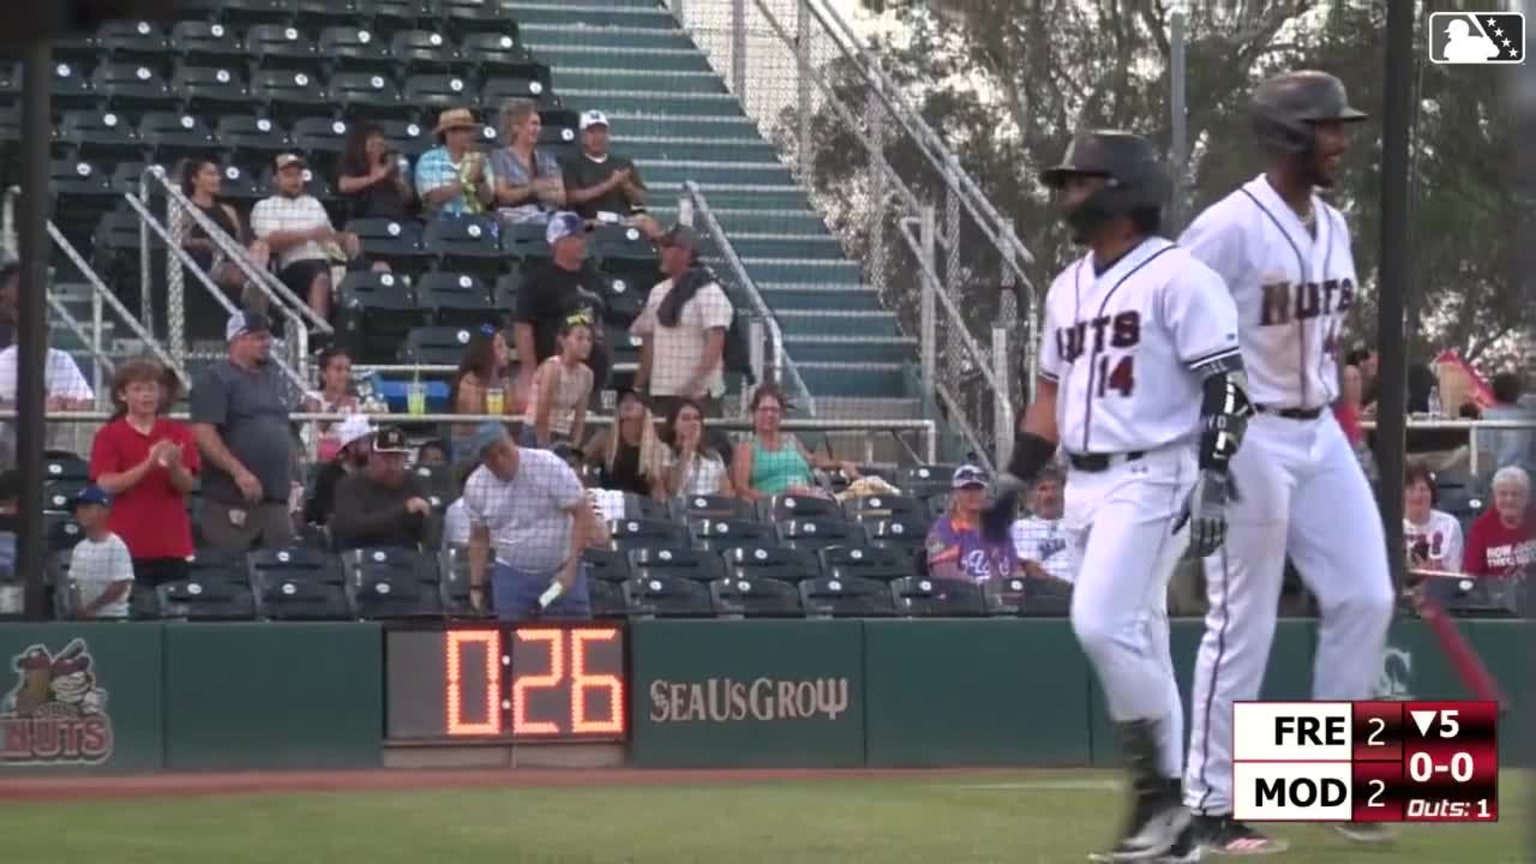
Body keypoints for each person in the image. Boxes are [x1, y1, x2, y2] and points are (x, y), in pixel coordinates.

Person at [979, 129, 1248, 862]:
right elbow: (1048, 393)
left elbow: (1227, 388)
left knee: (1099, 622)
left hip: (1156, 470)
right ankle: (1179, 829)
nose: (1069, 194)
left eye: (1082, 181)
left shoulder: (1180, 276)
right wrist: (1014, 475)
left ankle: (1159, 797)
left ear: (1125, 191)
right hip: (1084, 481)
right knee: (1142, 638)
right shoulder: (1067, 286)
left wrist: (1218, 479)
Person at [1173, 71, 1395, 853]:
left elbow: (1331, 342)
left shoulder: (1334, 225)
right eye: (1328, 127)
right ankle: (1209, 802)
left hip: (1321, 427)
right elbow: (1172, 319)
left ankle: (1342, 782)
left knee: (1367, 595)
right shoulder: (1229, 227)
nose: (1341, 140)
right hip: (1251, 428)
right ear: (1290, 136)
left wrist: (1350, 430)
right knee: (1244, 618)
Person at [462, 423, 609, 621]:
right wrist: (475, 586)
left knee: (571, 639)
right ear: (482, 461)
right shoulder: (476, 485)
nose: (499, 460)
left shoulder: (547, 465)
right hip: (512, 577)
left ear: (513, 444)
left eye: (503, 451)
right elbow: (479, 538)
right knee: (513, 643)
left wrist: (571, 568)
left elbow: (581, 512)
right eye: (490, 456)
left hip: (558, 574)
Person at [190, 310, 295, 550]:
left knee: (280, 573)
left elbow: (283, 430)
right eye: (258, 338)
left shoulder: (273, 377)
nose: (266, 344)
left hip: (275, 502)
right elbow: (204, 433)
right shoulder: (216, 379)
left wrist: (294, 476)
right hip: (231, 502)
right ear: (237, 340)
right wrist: (239, 472)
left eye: (267, 337)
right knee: (232, 572)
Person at [88, 358, 198, 587]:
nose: (146, 395)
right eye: (138, 389)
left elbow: (186, 486)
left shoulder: (179, 433)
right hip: (124, 546)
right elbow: (106, 484)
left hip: (171, 546)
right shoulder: (109, 435)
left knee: (175, 613)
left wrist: (174, 464)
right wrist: (149, 463)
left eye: (152, 389)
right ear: (122, 395)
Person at [250, 153, 373, 321]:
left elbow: (328, 235)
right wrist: (309, 235)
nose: (295, 180)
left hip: (329, 257)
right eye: (288, 175)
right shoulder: (265, 206)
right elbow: (270, 242)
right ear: (275, 179)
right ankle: (319, 328)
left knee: (375, 268)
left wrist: (345, 237)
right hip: (293, 264)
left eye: (298, 174)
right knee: (319, 273)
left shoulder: (313, 203)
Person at [632, 225, 734, 420]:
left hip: (699, 397)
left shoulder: (709, 291)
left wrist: (693, 385)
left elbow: (715, 342)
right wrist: (638, 386)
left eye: (668, 246)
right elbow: (649, 342)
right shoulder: (657, 292)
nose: (661, 252)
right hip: (662, 393)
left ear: (686, 253)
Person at [512, 212, 612, 404]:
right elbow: (523, 327)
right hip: (554, 376)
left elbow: (601, 318)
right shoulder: (538, 280)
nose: (583, 241)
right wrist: (529, 370)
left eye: (584, 236)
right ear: (558, 242)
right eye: (576, 237)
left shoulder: (594, 277)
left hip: (592, 377)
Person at [732, 386, 857, 501]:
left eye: (774, 410)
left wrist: (840, 463)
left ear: (781, 414)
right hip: (774, 508)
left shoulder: (791, 442)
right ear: (754, 413)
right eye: (764, 409)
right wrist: (780, 498)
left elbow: (814, 461)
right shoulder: (746, 448)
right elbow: (742, 490)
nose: (769, 414)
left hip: (810, 499)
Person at [179, 157, 271, 300]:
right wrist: (207, 243)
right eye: (210, 174)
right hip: (207, 262)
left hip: (233, 258)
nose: (217, 178)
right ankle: (255, 292)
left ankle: (253, 289)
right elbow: (181, 240)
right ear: (194, 179)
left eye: (217, 174)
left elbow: (239, 241)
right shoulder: (186, 208)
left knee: (261, 246)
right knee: (249, 277)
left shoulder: (228, 210)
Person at [561, 110, 661, 239]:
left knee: (650, 225)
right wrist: (609, 184)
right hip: (590, 221)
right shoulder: (573, 164)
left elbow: (640, 198)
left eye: (602, 131)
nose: (598, 137)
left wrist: (627, 186)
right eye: (592, 132)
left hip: (622, 220)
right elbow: (572, 196)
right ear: (583, 136)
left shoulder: (623, 163)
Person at [331, 427, 433, 551]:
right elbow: (351, 527)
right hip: (362, 555)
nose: (391, 465)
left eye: (397, 458)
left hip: (405, 559)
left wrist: (428, 519)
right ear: (371, 458)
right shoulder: (351, 484)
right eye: (385, 458)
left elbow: (429, 530)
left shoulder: (414, 481)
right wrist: (403, 511)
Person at [926, 465, 1017, 583]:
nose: (973, 494)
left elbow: (1015, 569)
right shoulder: (944, 529)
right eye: (966, 488)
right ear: (955, 493)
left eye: (978, 488)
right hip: (962, 597)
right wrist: (982, 591)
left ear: (985, 492)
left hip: (1001, 596)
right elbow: (946, 574)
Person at [581, 388, 668, 498]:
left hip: (640, 507)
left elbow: (660, 490)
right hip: (609, 503)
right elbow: (582, 462)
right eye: (624, 400)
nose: (628, 403)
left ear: (646, 409)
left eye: (635, 400)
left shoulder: (657, 448)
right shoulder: (604, 439)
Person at [490, 98, 565, 226]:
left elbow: (561, 197)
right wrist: (534, 188)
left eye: (539, 124)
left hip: (547, 215)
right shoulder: (500, 157)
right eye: (533, 124)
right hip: (514, 216)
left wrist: (519, 191)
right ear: (516, 127)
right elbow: (503, 196)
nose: (538, 129)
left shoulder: (547, 158)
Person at [66, 486, 135, 619]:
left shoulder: (116, 545)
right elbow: (74, 582)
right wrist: (78, 606)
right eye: (78, 508)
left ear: (104, 511)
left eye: (87, 507)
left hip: (112, 618)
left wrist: (92, 608)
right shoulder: (80, 547)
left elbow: (120, 585)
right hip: (84, 618)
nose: (80, 512)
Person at [524, 318, 593, 449]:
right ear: (563, 340)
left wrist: (575, 447)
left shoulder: (587, 374)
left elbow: (580, 417)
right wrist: (545, 447)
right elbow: (542, 414)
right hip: (536, 432)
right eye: (579, 338)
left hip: (562, 433)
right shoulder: (552, 368)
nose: (585, 344)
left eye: (589, 339)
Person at [448, 326, 514, 460]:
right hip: (469, 446)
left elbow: (511, 413)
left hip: (494, 444)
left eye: (506, 346)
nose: (506, 351)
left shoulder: (504, 380)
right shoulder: (469, 380)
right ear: (486, 352)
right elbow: (476, 417)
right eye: (500, 346)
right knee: (494, 429)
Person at [415, 107, 494, 218]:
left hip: (475, 219)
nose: (468, 135)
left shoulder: (480, 159)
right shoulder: (430, 158)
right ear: (448, 133)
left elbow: (488, 201)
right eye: (463, 131)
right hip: (441, 220)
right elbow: (433, 198)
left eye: (469, 130)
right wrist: (465, 181)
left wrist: (480, 180)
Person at [302, 413, 372, 529]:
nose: (370, 448)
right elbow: (324, 514)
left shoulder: (373, 474)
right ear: (351, 446)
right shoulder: (329, 475)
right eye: (366, 442)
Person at [1462, 465, 1535, 577]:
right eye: (1503, 494)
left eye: (1515, 494)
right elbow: (1472, 575)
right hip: (1494, 592)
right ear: (1494, 497)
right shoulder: (1481, 527)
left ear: (1526, 498)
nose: (1509, 499)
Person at [336, 121, 413, 220]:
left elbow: (408, 198)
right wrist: (374, 178)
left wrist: (398, 180)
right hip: (364, 216)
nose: (379, 141)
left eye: (380, 137)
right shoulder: (352, 160)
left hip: (395, 217)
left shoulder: (391, 160)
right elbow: (344, 185)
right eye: (372, 138)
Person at [1009, 466, 1073, 583]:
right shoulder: (1021, 528)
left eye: (1055, 488)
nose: (1050, 495)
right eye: (1043, 489)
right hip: (1039, 593)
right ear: (1030, 496)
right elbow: (1024, 568)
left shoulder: (1078, 526)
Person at [663, 398, 734, 498]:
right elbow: (672, 489)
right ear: (673, 424)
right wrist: (688, 450)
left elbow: (727, 493)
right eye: (686, 418)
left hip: (711, 509)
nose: (693, 423)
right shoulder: (665, 453)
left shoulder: (713, 455)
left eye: (697, 418)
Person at [1403, 462, 1464, 575]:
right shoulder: (1390, 525)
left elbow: (1455, 572)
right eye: (1411, 489)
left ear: (1432, 494)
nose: (1417, 495)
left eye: (1423, 489)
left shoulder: (1450, 524)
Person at [301, 346, 360, 462]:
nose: (344, 375)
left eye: (347, 370)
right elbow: (319, 427)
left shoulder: (355, 402)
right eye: (338, 369)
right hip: (317, 459)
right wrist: (338, 400)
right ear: (323, 374)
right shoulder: (312, 398)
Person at [1475, 372, 1535, 478]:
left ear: (1493, 392)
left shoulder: (1484, 417)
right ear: (1518, 392)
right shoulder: (1530, 416)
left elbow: (1482, 455)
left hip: (1495, 480)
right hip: (1527, 479)